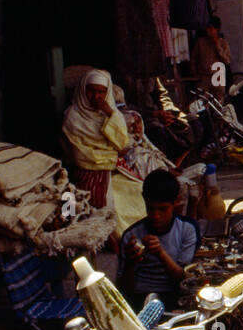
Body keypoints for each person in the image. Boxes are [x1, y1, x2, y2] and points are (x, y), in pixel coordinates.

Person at [119, 170, 199, 312]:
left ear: (176, 202)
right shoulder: (131, 235)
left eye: (163, 209)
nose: (156, 216)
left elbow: (183, 278)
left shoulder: (187, 229)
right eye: (151, 208)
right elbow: (125, 288)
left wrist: (161, 253)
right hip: (140, 297)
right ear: (144, 200)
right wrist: (131, 263)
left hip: (176, 295)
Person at [62, 68, 129, 211]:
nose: (96, 96)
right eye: (91, 91)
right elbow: (79, 155)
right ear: (82, 90)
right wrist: (112, 156)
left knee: (134, 195)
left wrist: (109, 113)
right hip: (87, 172)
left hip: (113, 169)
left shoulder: (112, 114)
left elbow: (122, 142)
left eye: (101, 92)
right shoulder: (73, 116)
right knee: (96, 208)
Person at [190, 17, 232, 100]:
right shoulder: (200, 42)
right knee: (202, 102)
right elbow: (193, 59)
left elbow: (227, 61)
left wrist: (217, 46)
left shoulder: (223, 43)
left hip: (218, 76)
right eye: (207, 28)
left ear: (217, 30)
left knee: (218, 102)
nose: (208, 30)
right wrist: (195, 73)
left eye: (211, 28)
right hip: (203, 77)